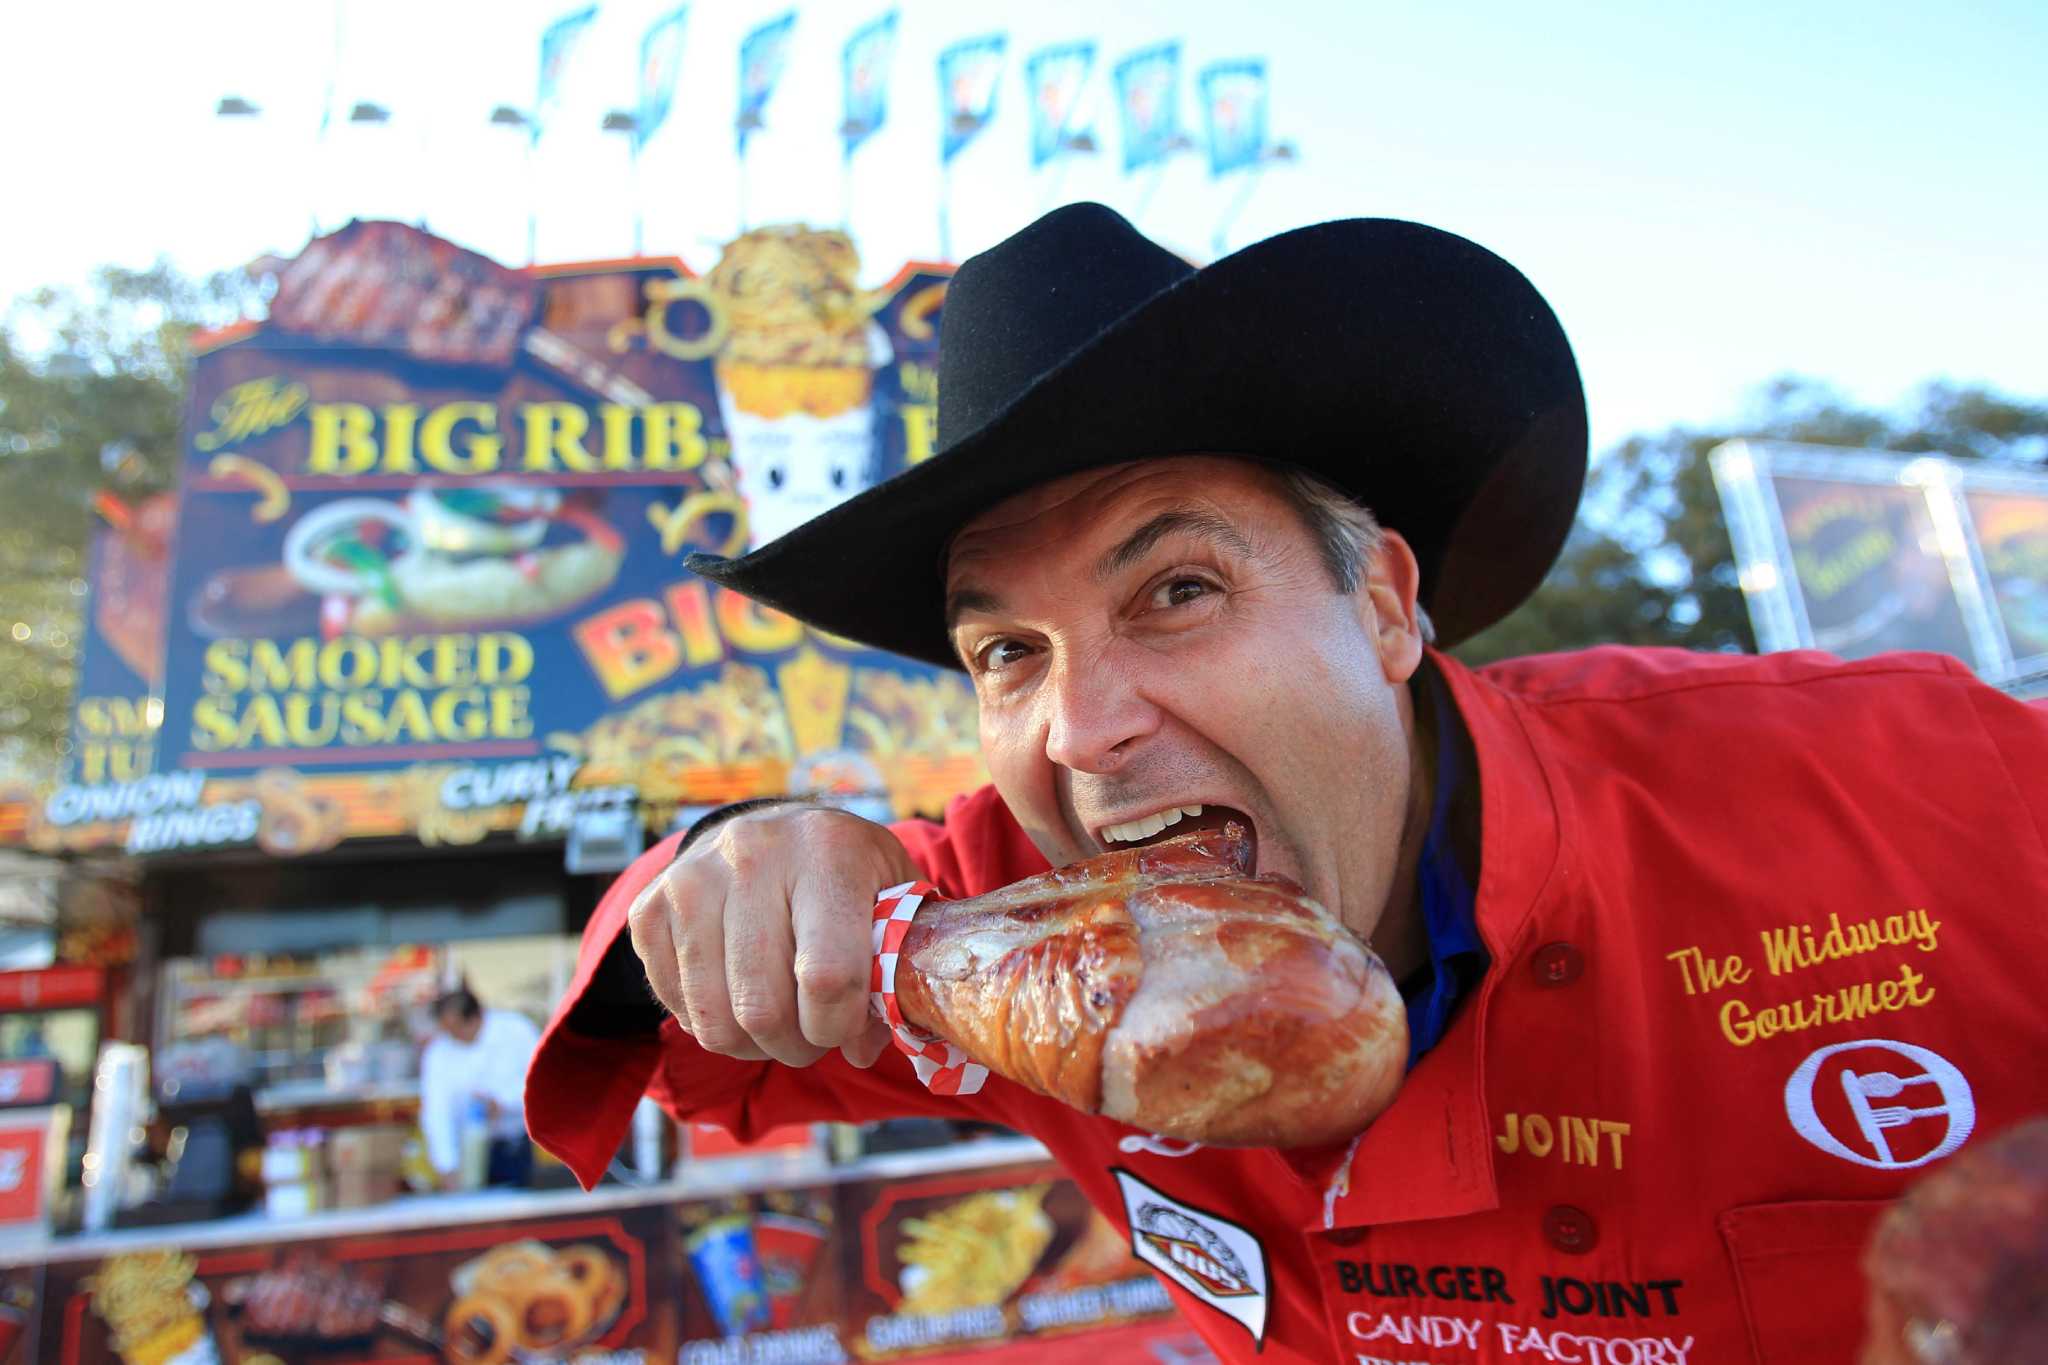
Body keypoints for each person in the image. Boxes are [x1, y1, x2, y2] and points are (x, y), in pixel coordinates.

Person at [525, 204, 2048, 1364]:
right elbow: (672, 1019)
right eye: (1006, 652)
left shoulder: (1911, 783)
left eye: (1176, 590)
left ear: (1387, 605)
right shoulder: (1003, 928)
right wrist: (736, 853)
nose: (1080, 729)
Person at [422, 986, 539, 1191]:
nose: (454, 1036)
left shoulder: (516, 1030)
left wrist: (504, 1102)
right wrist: (446, 1164)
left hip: (516, 1145)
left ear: (476, 1017)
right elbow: (436, 1111)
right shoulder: (439, 1052)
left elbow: (541, 1084)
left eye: (457, 1028)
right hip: (468, 1152)